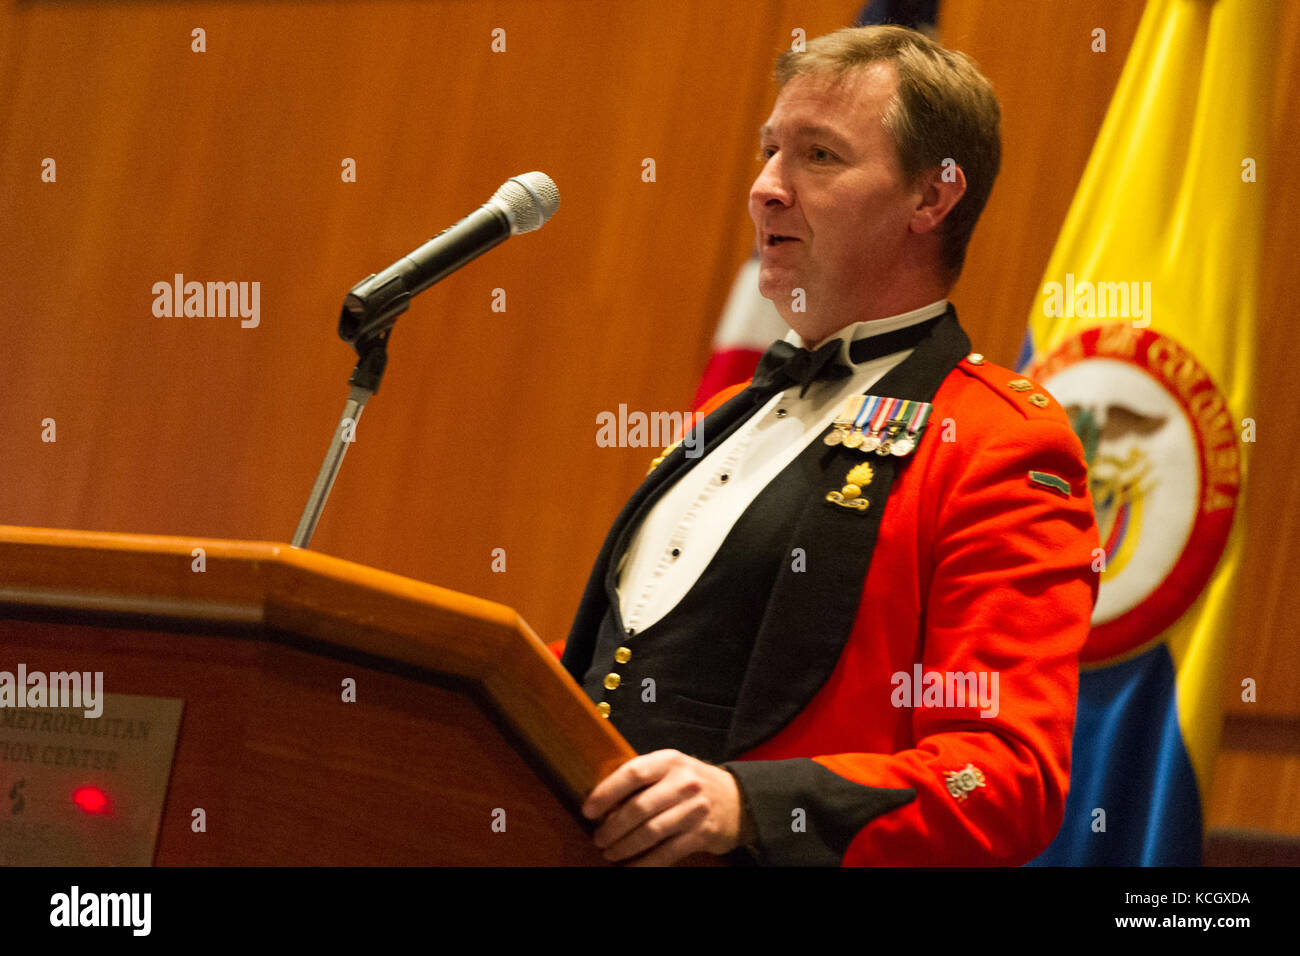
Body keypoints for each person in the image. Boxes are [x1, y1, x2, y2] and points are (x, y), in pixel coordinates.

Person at [556, 25, 1100, 866]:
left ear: (932, 198)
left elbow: (1005, 778)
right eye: (770, 150)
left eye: (818, 156)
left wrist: (751, 806)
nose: (766, 189)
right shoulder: (731, 414)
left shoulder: (999, 442)